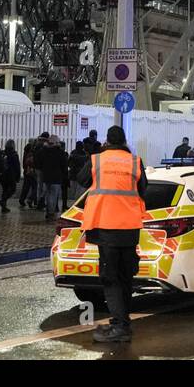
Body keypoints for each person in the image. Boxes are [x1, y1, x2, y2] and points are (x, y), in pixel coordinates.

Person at [77, 125, 147, 344]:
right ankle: (123, 322)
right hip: (130, 228)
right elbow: (143, 189)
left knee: (111, 278)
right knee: (126, 277)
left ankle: (119, 327)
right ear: (124, 141)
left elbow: (81, 180)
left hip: (106, 226)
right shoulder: (135, 162)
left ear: (107, 141)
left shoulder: (97, 160)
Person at [37, 135, 67, 220]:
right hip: (57, 177)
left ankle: (48, 211)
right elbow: (64, 165)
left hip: (46, 176)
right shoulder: (60, 152)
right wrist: (64, 175)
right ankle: (50, 213)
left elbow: (39, 162)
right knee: (53, 195)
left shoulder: (44, 151)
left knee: (48, 195)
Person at [0, 139, 22, 211]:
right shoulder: (14, 154)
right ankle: (3, 201)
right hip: (11, 175)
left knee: (5, 190)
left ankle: (3, 206)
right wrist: (18, 176)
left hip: (2, 175)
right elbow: (17, 166)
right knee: (12, 189)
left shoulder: (2, 153)